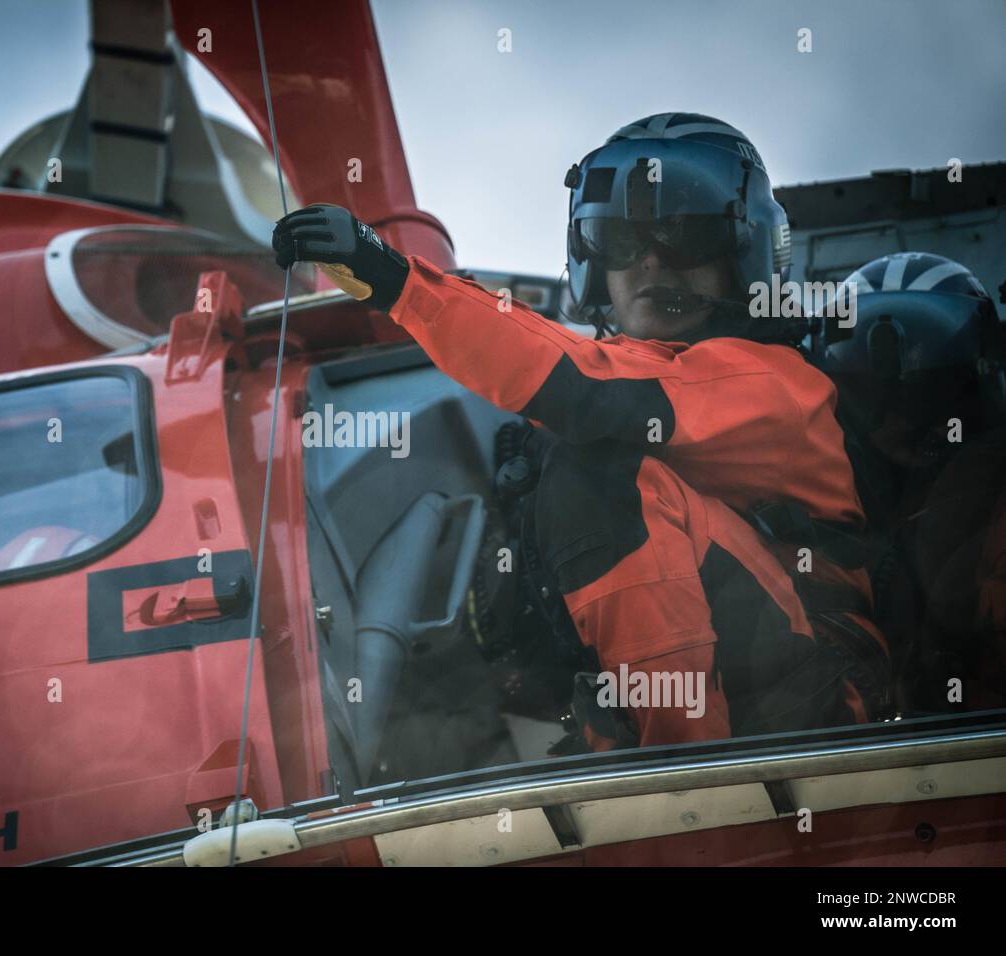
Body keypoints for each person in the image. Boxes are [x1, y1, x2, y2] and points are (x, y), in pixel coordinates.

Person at [273, 113, 889, 750]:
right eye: (620, 240)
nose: (651, 262)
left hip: (819, 719)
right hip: (656, 735)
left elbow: (591, 386)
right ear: (594, 264)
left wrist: (396, 281)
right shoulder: (593, 408)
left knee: (599, 476)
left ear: (747, 253)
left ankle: (689, 783)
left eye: (686, 234)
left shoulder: (778, 386)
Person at [821, 251, 1006, 712]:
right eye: (874, 396)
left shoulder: (991, 506)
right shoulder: (824, 514)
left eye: (934, 390)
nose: (903, 418)